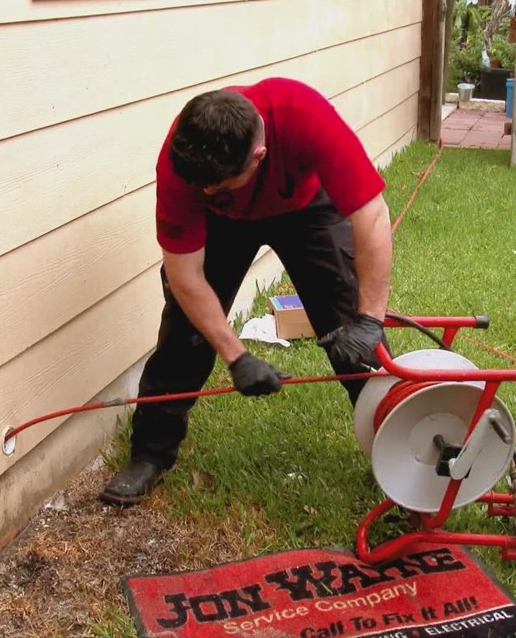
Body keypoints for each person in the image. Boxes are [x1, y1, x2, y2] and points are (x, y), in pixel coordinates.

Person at [100, 77, 393, 506]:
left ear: (259, 156)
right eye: (201, 186)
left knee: (348, 322)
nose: (205, 192)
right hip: (223, 223)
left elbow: (372, 216)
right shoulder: (184, 159)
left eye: (216, 186)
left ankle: (398, 447)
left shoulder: (305, 116)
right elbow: (185, 276)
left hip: (305, 209)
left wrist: (369, 320)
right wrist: (237, 357)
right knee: (184, 332)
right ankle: (149, 454)